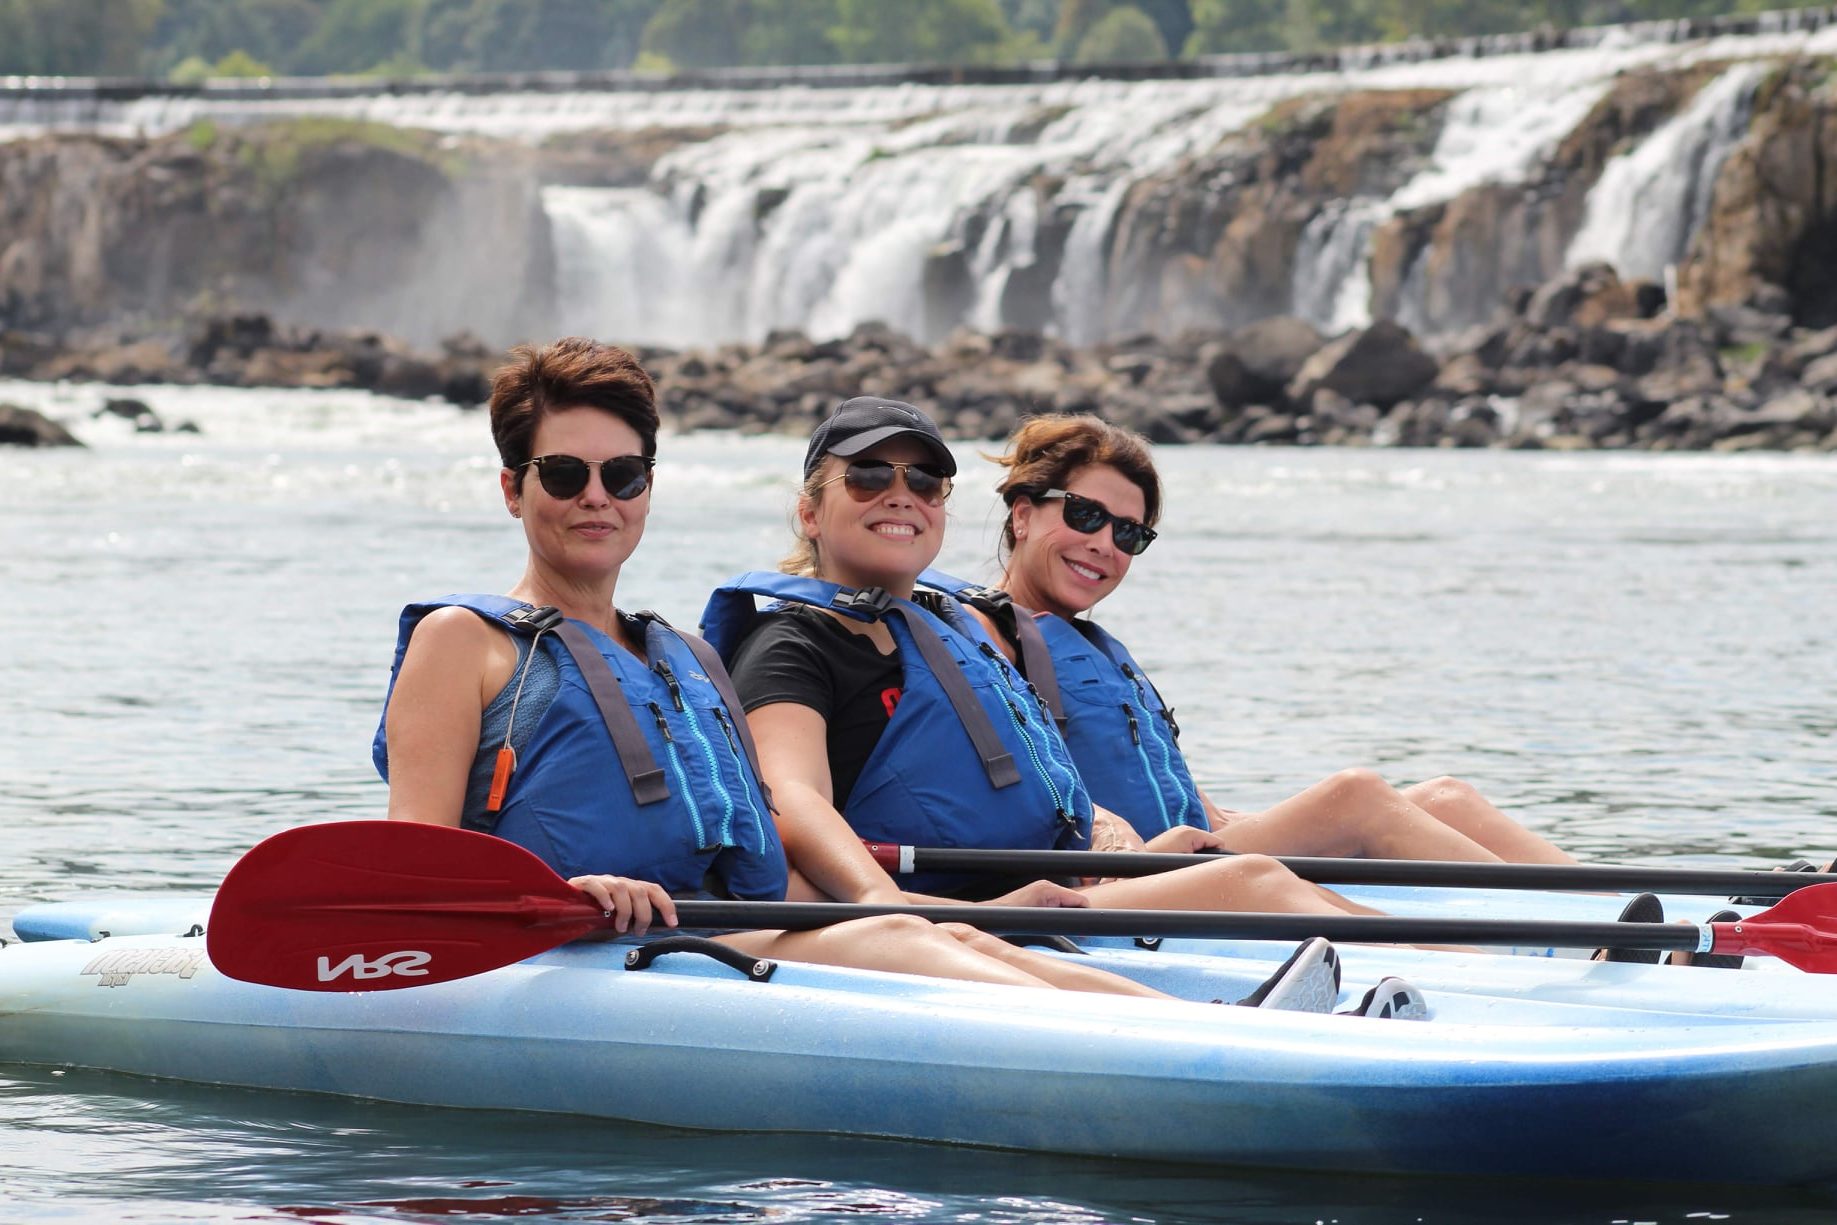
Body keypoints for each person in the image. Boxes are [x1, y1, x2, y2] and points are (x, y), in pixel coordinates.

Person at [370, 338, 1378, 1009]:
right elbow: (410, 875)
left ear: (647, 489)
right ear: (514, 488)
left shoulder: (679, 659)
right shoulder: (464, 642)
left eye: (622, 475)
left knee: (967, 948)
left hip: (714, 941)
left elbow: (773, 855)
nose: (598, 497)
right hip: (578, 959)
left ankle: (1244, 1033)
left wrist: (952, 912)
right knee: (910, 947)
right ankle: (1226, 1043)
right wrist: (572, 889)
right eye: (565, 474)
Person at [702, 396, 1434, 1012]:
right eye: (866, 475)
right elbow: (792, 797)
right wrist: (896, 909)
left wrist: (1122, 850)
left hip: (1041, 894)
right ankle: (1414, 999)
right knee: (1255, 876)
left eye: (925, 482)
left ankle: (1453, 980)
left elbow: (1050, 773)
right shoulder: (794, 644)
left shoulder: (950, 630)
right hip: (936, 912)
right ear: (809, 511)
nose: (901, 494)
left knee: (1256, 868)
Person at [931, 411, 1580, 868]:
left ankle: (1637, 919)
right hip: (1147, 875)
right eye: (1084, 515)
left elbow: (1180, 796)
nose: (1104, 543)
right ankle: (1556, 941)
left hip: (1208, 848)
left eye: (1128, 533)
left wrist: (1266, 825)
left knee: (1444, 797)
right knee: (1355, 793)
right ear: (1022, 513)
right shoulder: (985, 634)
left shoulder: (1094, 650)